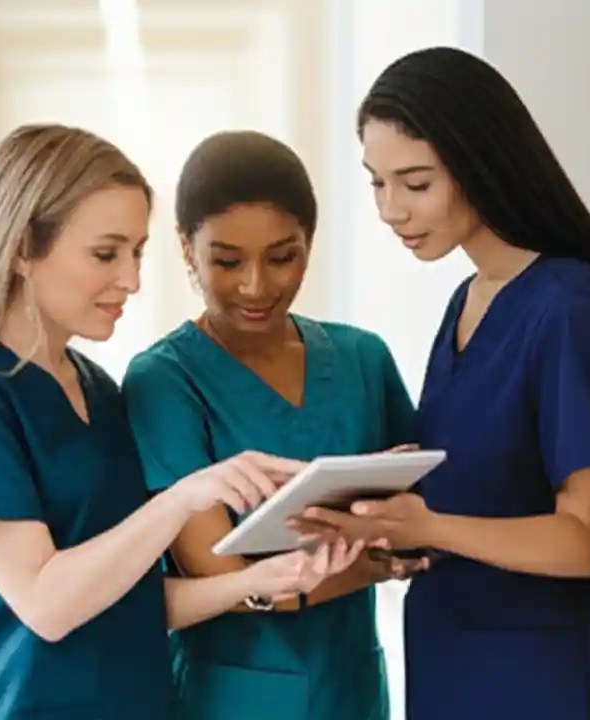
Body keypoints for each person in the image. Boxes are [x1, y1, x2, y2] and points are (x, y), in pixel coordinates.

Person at [0, 123, 362, 720]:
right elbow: (46, 602)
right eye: (105, 254)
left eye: (137, 252)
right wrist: (184, 499)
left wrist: (260, 580)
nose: (131, 280)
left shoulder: (100, 392)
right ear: (22, 249)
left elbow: (129, 603)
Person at [293, 47, 590, 719]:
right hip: (448, 651)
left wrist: (431, 524)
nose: (391, 209)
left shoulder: (568, 306)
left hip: (534, 674)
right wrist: (386, 508)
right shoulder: (466, 301)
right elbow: (486, 485)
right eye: (377, 183)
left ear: (480, 163)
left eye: (415, 184)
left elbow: (584, 540)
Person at [122, 130, 427, 720]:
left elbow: (417, 520)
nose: (256, 286)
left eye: (282, 257)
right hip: (232, 698)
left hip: (351, 687)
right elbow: (219, 575)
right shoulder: (164, 380)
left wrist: (395, 540)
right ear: (186, 248)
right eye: (227, 261)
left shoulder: (362, 359)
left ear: (309, 244)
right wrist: (367, 563)